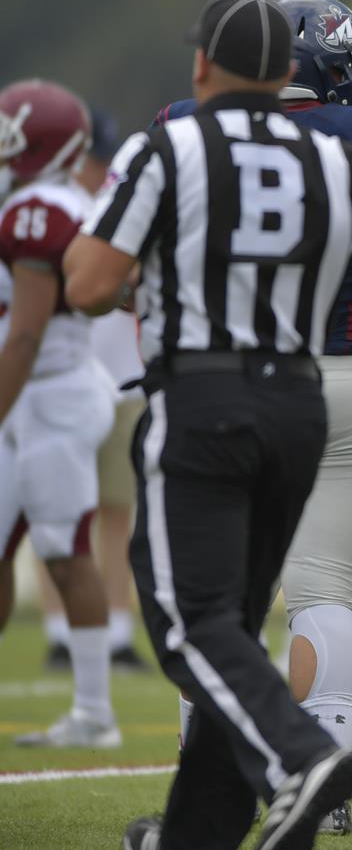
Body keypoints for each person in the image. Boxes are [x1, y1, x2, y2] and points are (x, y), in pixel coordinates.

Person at [65, 0, 352, 850]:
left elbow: (92, 283)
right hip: (336, 386)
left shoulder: (171, 139)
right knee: (325, 590)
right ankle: (303, 778)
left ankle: (255, 776)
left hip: (209, 389)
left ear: (207, 65)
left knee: (206, 607)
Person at [0, 80, 120, 748]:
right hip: (36, 394)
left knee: (65, 554)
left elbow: (26, 334)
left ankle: (95, 713)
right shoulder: (50, 201)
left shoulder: (40, 211)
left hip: (47, 394)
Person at [33, 109, 151, 674]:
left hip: (121, 377)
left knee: (117, 510)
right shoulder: (50, 213)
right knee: (58, 504)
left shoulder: (130, 207)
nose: (100, 171)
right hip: (66, 376)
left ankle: (117, 629)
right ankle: (59, 628)